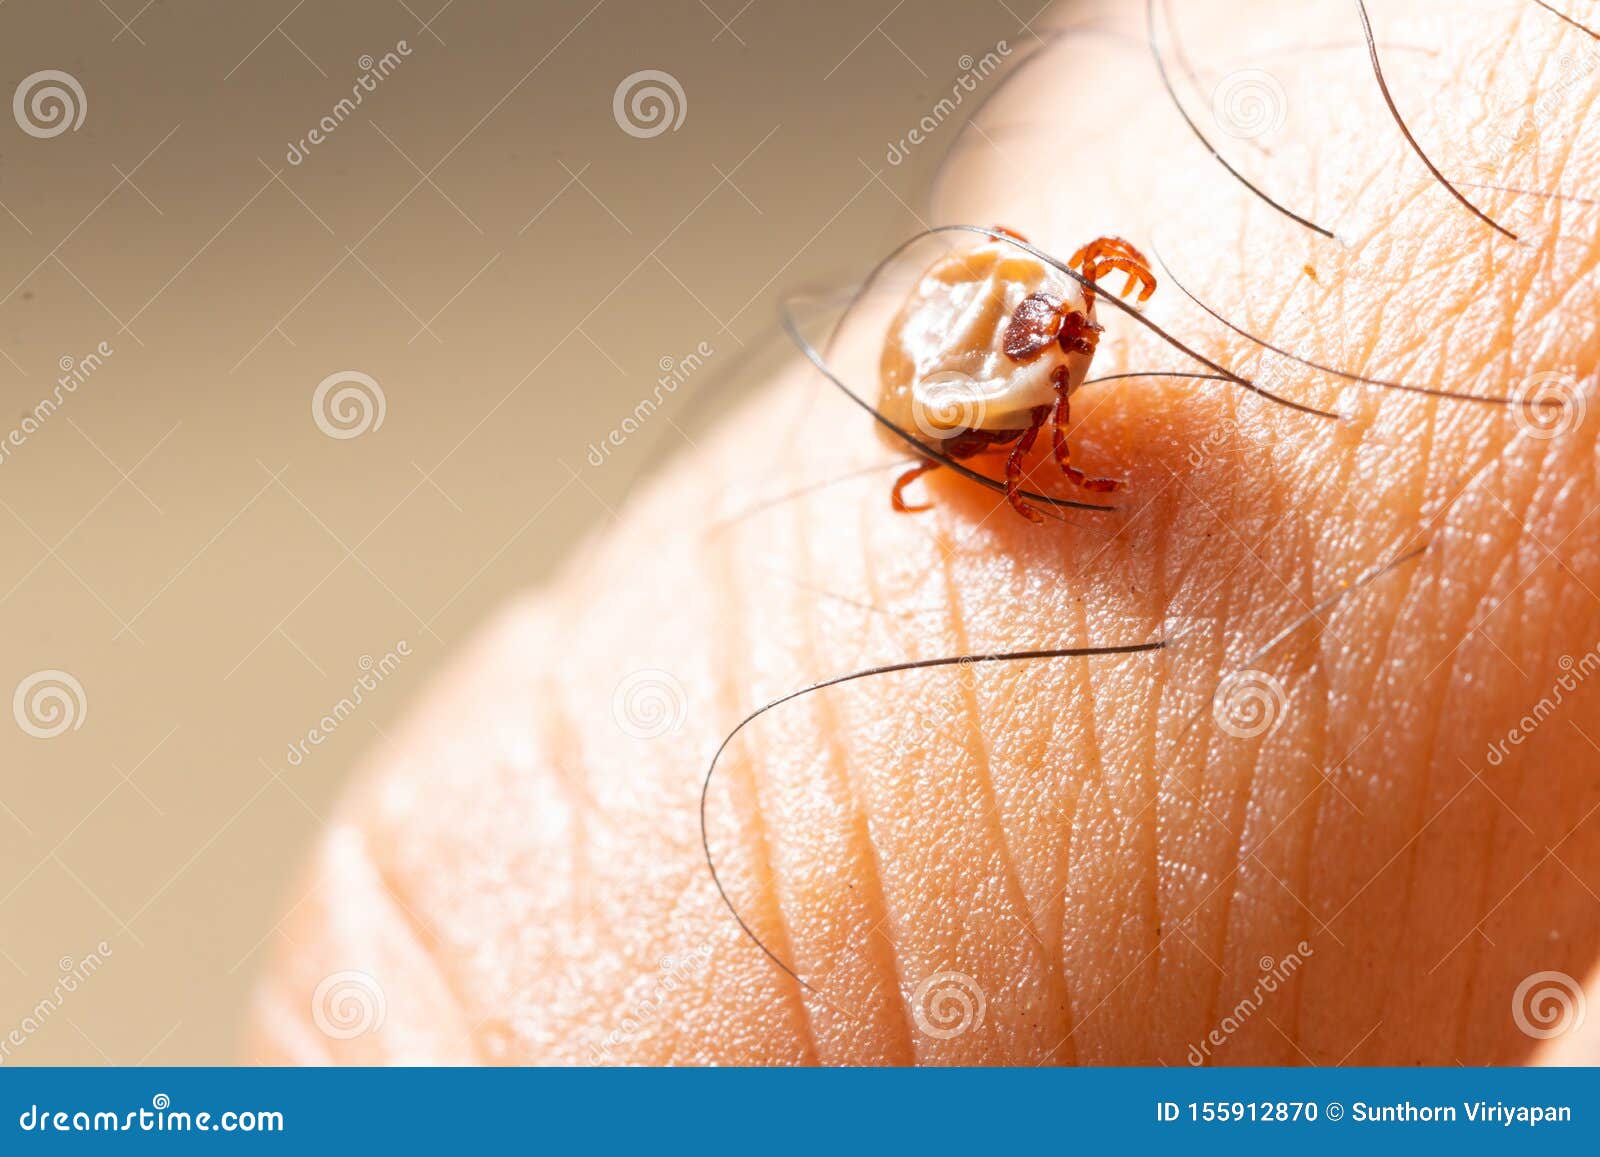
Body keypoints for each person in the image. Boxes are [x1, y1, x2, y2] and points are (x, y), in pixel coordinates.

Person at [248, 0, 1600, 1064]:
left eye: (1078, 332)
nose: (1088, 339)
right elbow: (1010, 415)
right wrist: (1037, 452)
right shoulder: (1020, 389)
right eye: (1072, 352)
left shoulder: (1045, 305)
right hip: (945, 398)